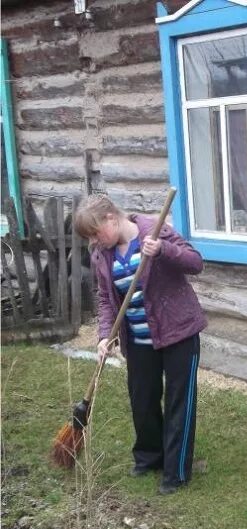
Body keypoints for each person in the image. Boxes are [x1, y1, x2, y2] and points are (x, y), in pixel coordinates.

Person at [75, 194, 207, 495]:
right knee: (142, 399)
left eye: (97, 232)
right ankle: (150, 457)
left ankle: (176, 472)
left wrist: (163, 251)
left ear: (111, 217)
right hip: (138, 339)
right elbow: (107, 299)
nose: (95, 241)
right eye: (90, 237)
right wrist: (105, 335)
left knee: (179, 402)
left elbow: (195, 263)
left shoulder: (155, 231)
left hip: (179, 333)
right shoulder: (101, 255)